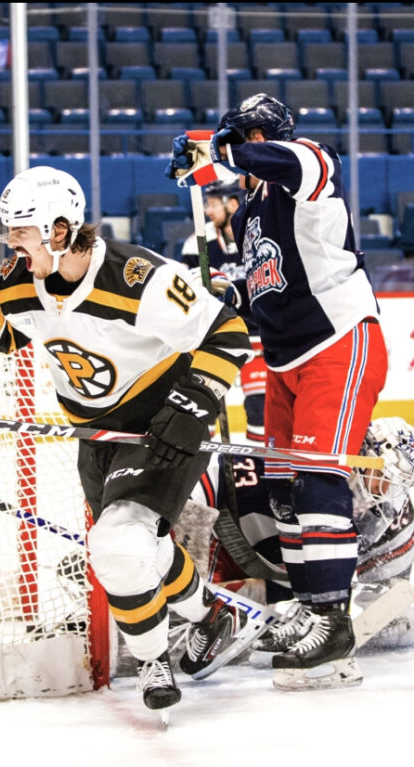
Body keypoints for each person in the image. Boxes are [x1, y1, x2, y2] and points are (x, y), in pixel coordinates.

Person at [0, 165, 255, 713]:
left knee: (117, 545)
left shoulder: (138, 278)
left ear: (60, 231)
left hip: (159, 421)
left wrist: (192, 405)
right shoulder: (17, 278)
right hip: (96, 430)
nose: (9, 243)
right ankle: (214, 616)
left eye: (21, 232)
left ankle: (154, 658)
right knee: (144, 546)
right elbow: (10, 337)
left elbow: (227, 331)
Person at [167, 93, 389, 690]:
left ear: (273, 134)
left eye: (256, 134)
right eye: (243, 135)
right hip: (285, 357)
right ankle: (306, 605)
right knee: (282, 488)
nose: (250, 144)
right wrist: (221, 296)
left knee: (318, 476)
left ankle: (331, 617)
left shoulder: (310, 166)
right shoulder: (246, 217)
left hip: (337, 341)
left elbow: (280, 163)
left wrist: (217, 154)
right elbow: (263, 290)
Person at [189, 417, 414, 652]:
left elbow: (390, 604)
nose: (388, 492)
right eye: (384, 477)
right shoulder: (277, 473)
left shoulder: (394, 514)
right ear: (361, 457)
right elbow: (199, 487)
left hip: (288, 577)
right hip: (232, 549)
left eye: (398, 483)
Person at [182, 181, 267, 444]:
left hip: (256, 336)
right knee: (202, 409)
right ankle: (205, 471)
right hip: (215, 337)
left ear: (232, 204)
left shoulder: (258, 236)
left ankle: (255, 471)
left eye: (214, 204)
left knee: (259, 409)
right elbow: (185, 287)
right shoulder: (197, 243)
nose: (208, 210)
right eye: (206, 204)